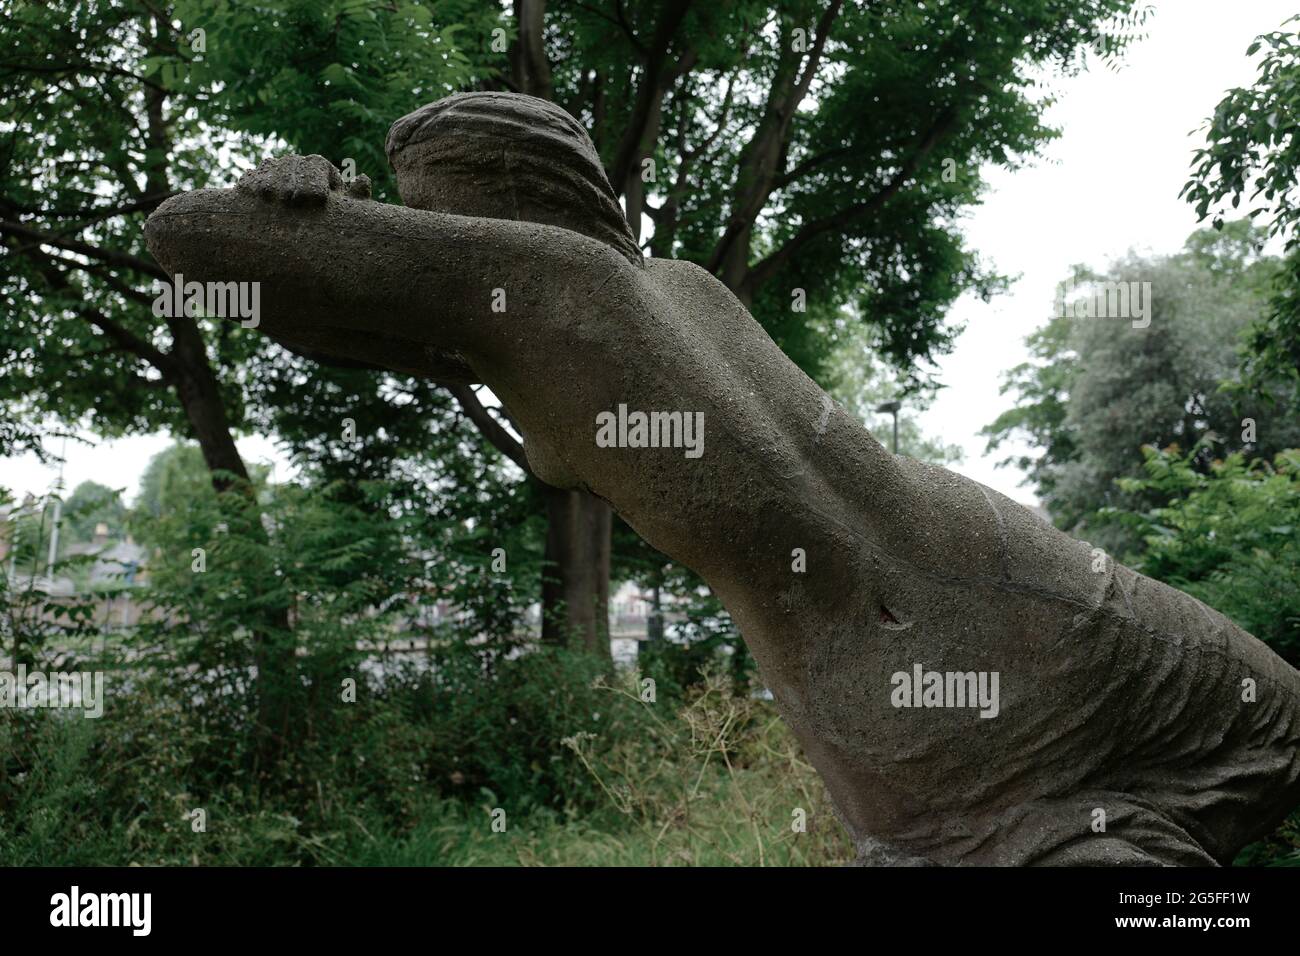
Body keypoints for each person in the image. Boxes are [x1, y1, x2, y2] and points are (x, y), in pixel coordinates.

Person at [146, 92, 1300, 865]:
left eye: (414, 198)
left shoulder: (542, 277)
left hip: (945, 679)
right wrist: (318, 233)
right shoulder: (662, 288)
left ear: (485, 191)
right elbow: (375, 327)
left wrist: (291, 204)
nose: (404, 223)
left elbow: (188, 238)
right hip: (1015, 586)